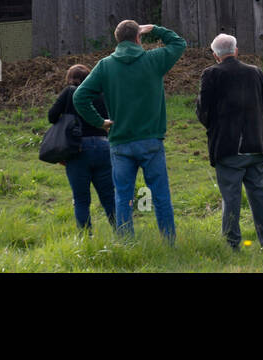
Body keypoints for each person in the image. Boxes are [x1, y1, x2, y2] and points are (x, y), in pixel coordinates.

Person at [73, 19, 186, 243]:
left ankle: (126, 244)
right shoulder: (154, 59)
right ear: (138, 38)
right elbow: (178, 43)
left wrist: (100, 122)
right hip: (151, 141)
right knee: (161, 196)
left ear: (117, 39)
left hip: (120, 142)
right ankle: (169, 243)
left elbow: (80, 97)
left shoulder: (105, 65)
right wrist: (155, 29)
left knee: (123, 197)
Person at [195, 33, 263, 250]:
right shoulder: (256, 73)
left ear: (215, 55)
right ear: (236, 50)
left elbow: (203, 111)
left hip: (227, 147)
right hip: (256, 145)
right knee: (259, 195)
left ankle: (232, 245)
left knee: (231, 198)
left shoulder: (210, 74)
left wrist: (216, 130)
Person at [48, 64, 117, 234]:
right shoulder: (101, 93)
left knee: (81, 199)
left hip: (77, 149)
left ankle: (87, 239)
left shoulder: (69, 92)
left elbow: (51, 116)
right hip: (103, 147)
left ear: (69, 79)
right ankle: (122, 234)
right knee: (109, 197)